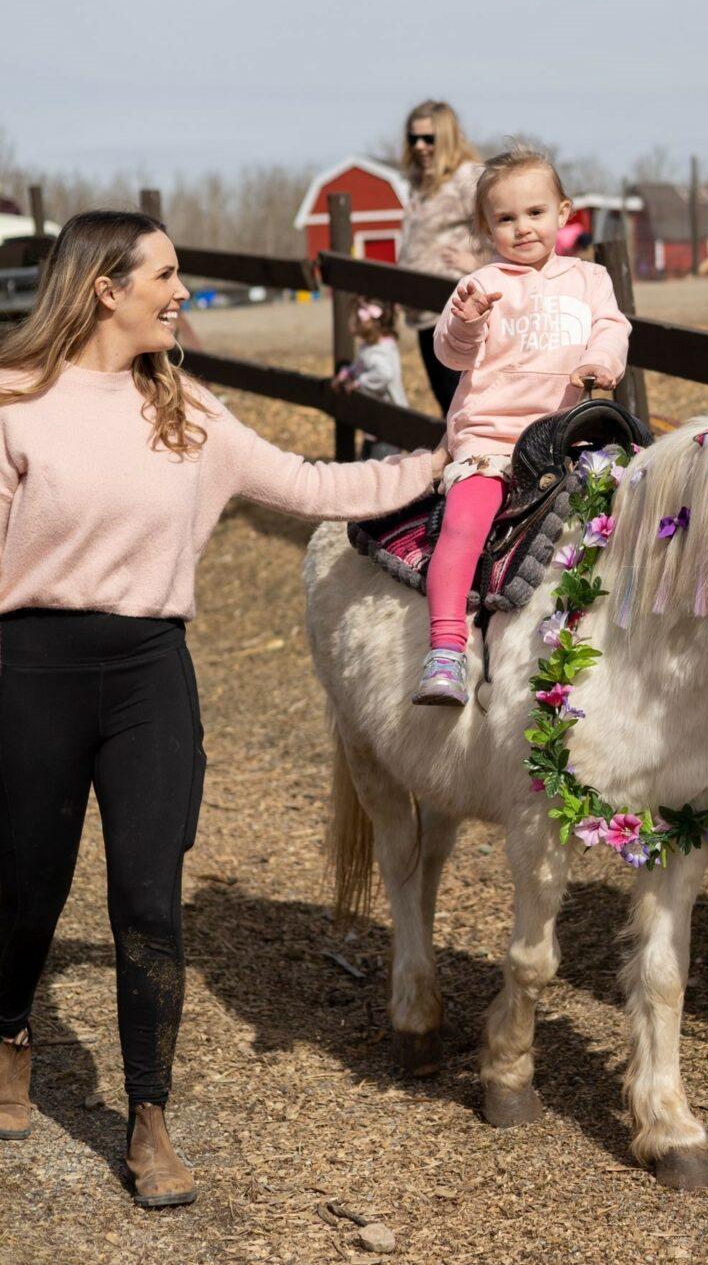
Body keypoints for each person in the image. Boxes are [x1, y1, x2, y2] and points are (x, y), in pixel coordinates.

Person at [0, 211, 447, 1205]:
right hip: (28, 667)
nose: (182, 291)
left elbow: (315, 483)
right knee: (26, 889)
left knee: (149, 901)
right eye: (164, 274)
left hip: (150, 668)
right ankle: (10, 1030)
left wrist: (447, 465)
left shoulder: (187, 413)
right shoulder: (13, 401)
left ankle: (148, 1117)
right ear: (103, 287)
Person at [412, 146, 631, 707]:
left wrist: (601, 365)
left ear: (564, 213)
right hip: (493, 437)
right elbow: (451, 355)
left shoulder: (591, 279)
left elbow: (612, 328)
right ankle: (446, 648)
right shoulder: (480, 284)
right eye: (505, 219)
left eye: (534, 212)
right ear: (487, 228)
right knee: (465, 523)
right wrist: (466, 325)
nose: (522, 228)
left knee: (629, 516)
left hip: (569, 434)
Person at [397, 100, 486, 414]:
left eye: (429, 138)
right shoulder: (421, 184)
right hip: (424, 312)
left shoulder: (468, 178)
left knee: (462, 404)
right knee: (446, 403)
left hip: (454, 310)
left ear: (447, 137)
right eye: (413, 139)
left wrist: (479, 264)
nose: (420, 146)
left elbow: (504, 226)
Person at [335, 296, 407, 459]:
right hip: (378, 420)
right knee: (369, 460)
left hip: (388, 422)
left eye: (356, 319)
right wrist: (348, 373)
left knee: (380, 467)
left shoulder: (377, 352)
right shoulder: (373, 346)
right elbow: (360, 365)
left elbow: (385, 374)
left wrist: (360, 382)